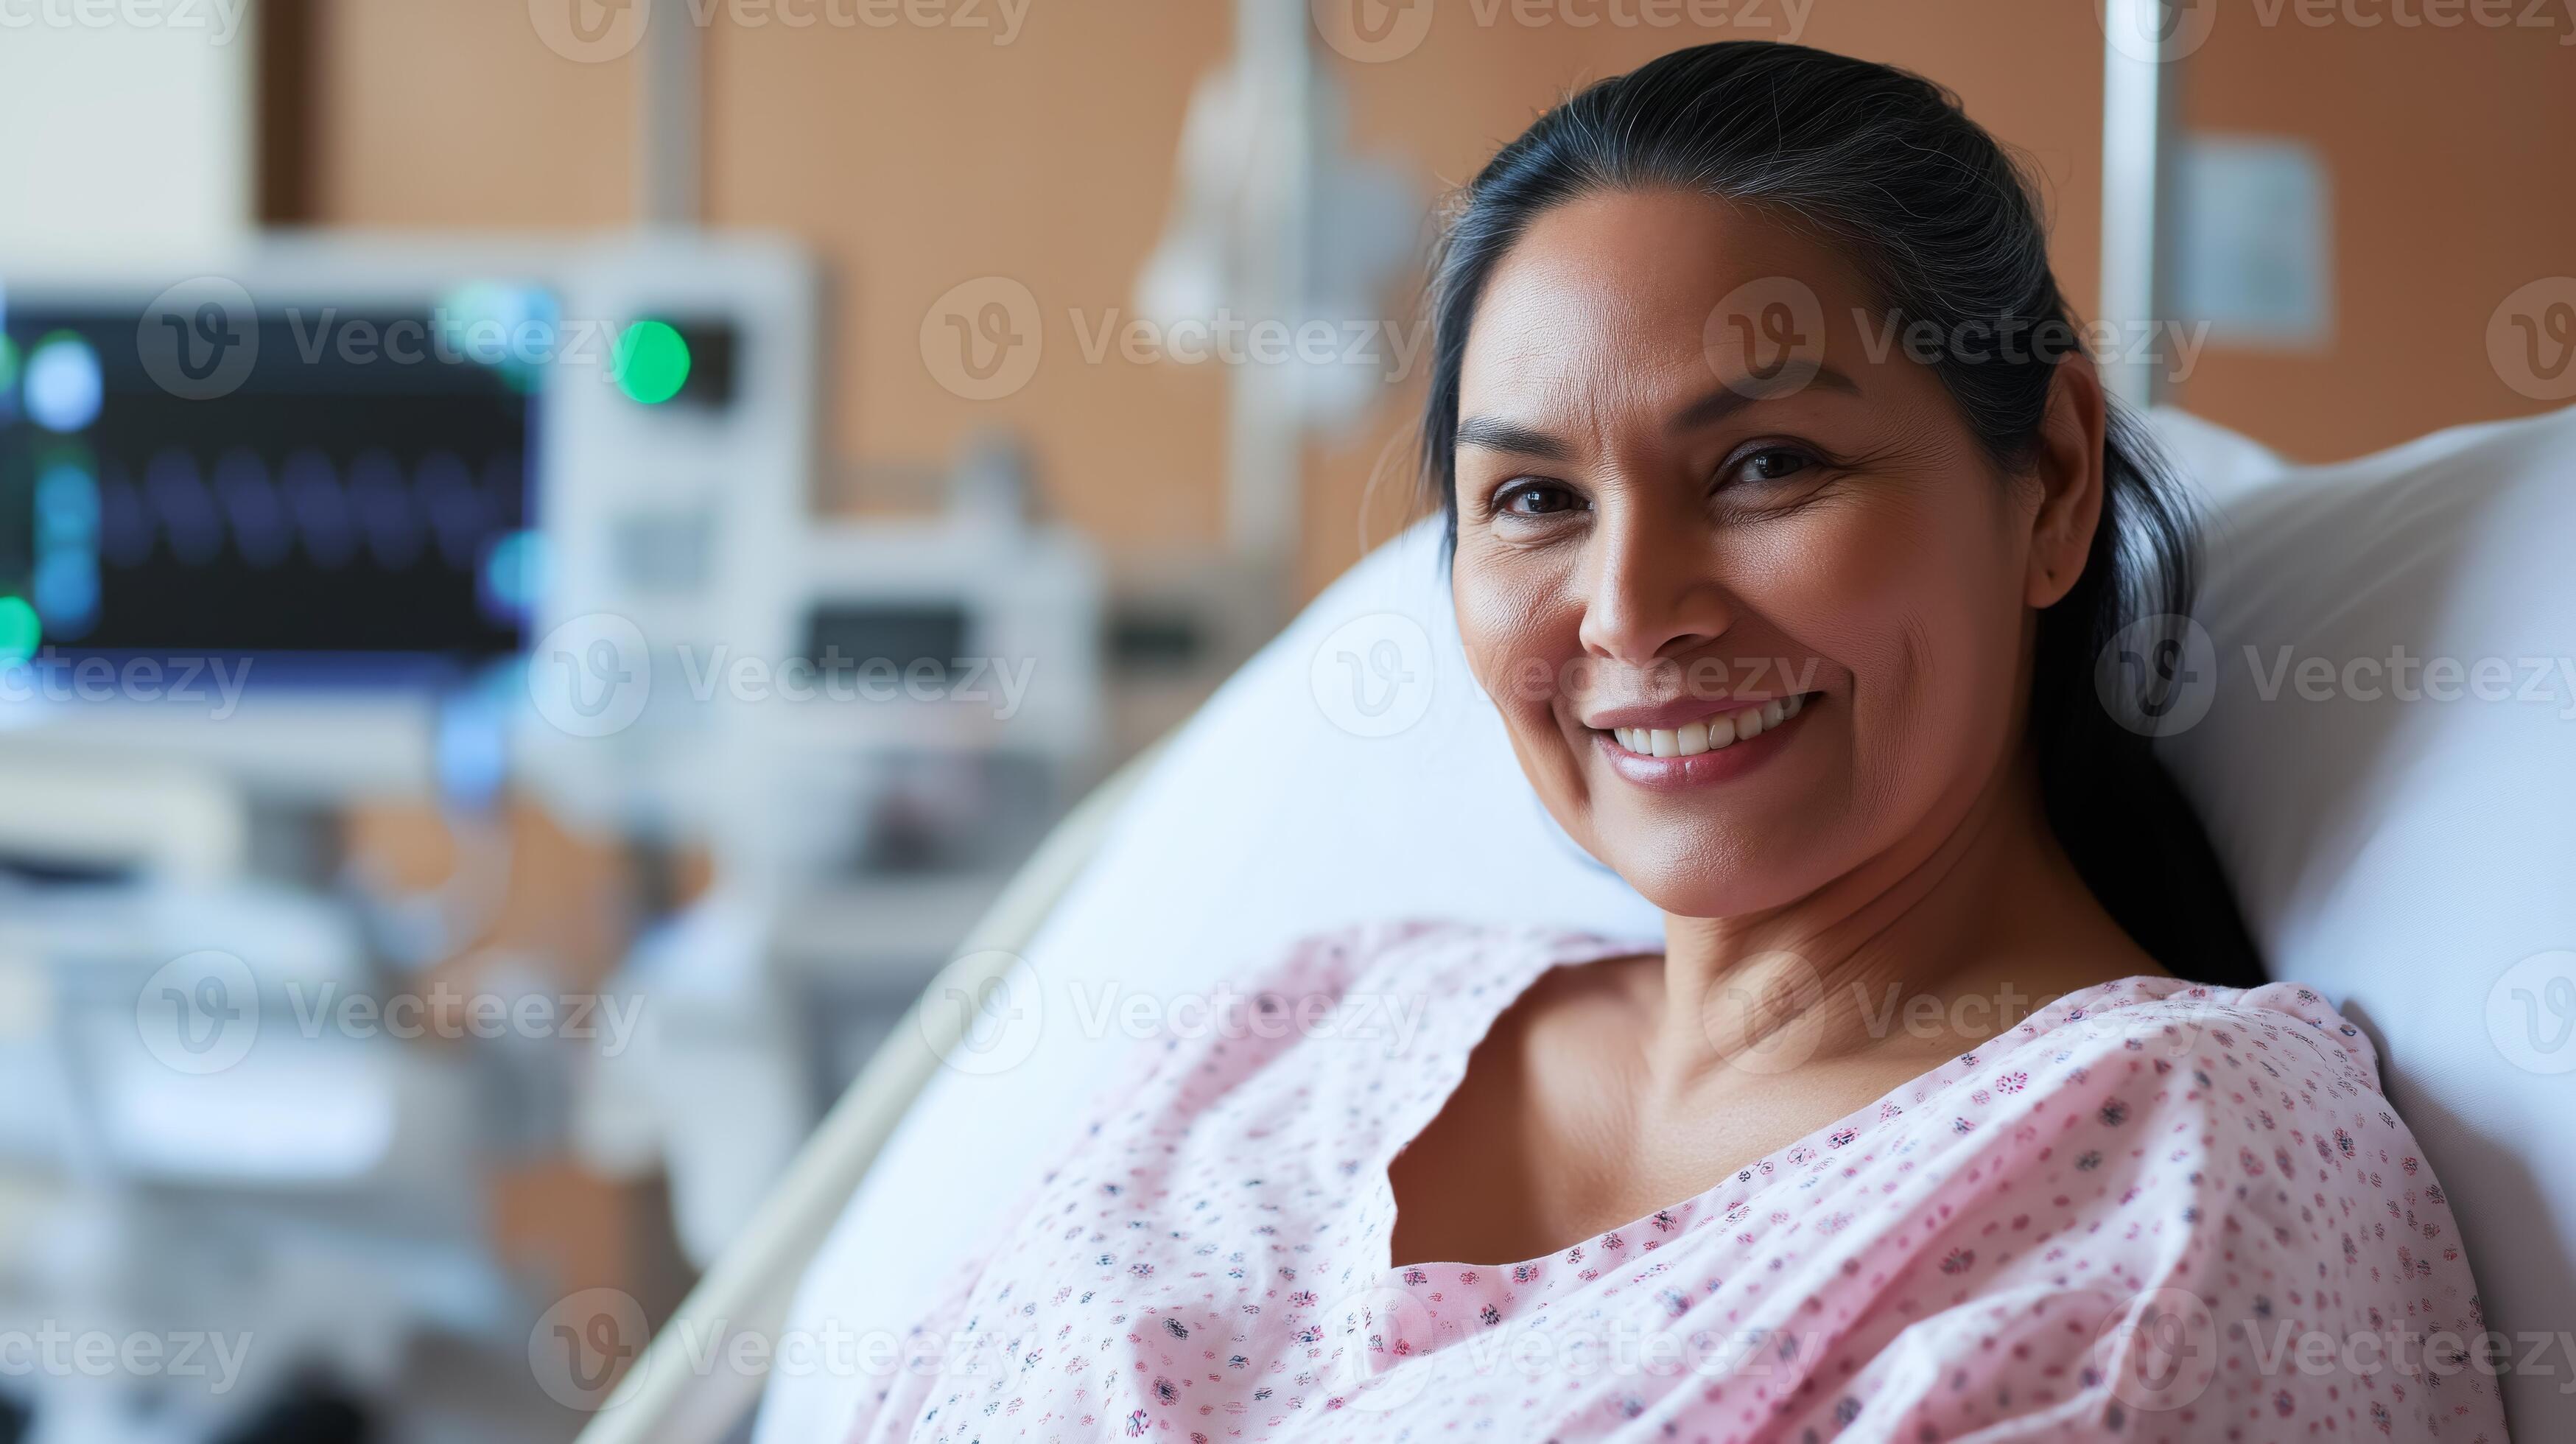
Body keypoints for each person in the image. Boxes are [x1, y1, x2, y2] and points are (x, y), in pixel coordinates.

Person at [846, 41, 2502, 1443]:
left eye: (1767, 465)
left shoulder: (2169, 1181)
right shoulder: (1316, 1018)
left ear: (2056, 477)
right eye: (1535, 501)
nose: (1630, 612)